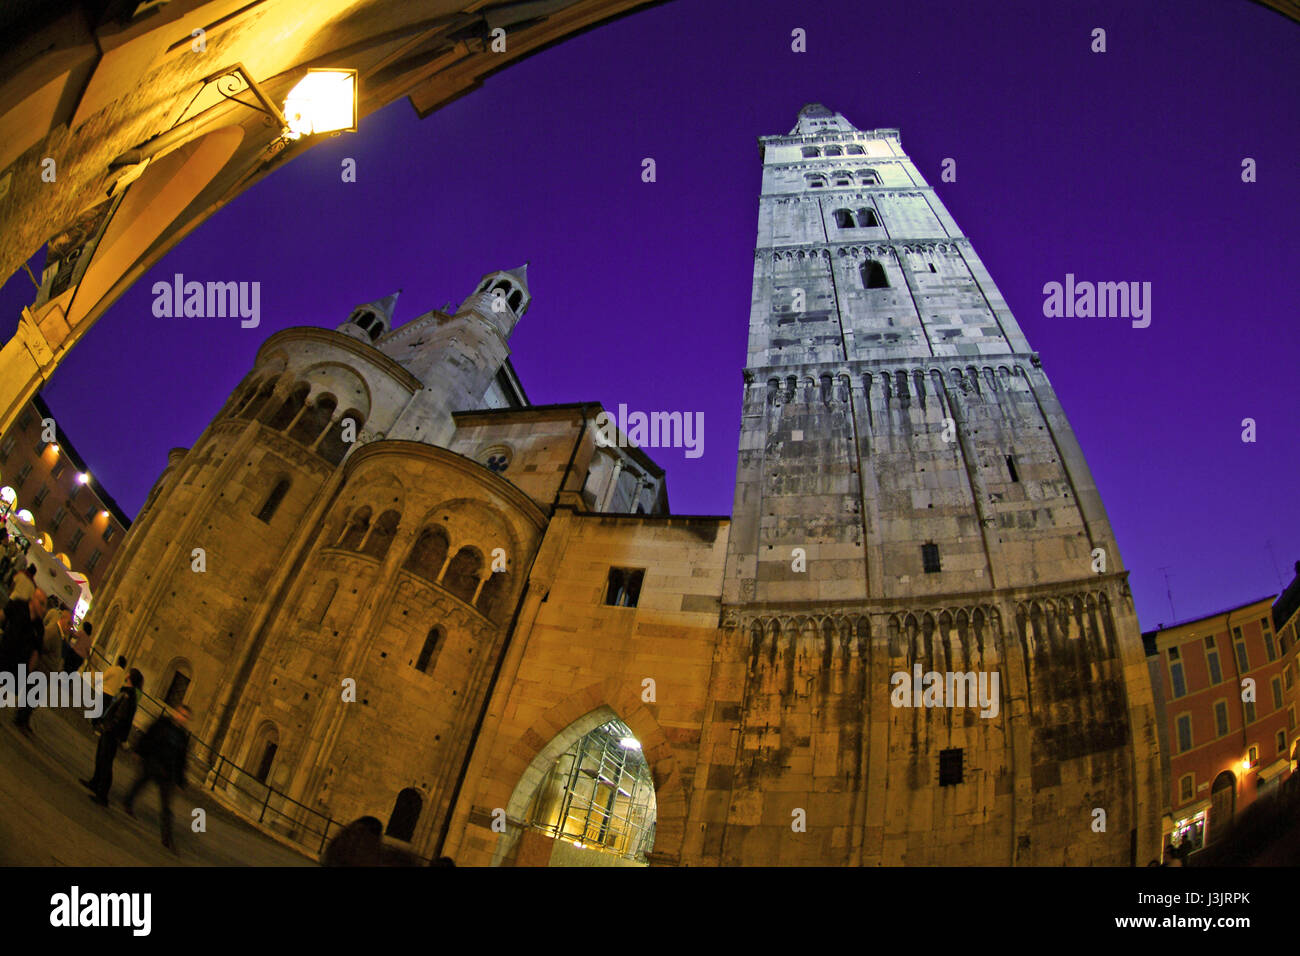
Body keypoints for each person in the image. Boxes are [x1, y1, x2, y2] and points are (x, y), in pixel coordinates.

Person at [124, 705, 191, 851]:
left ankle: (166, 838)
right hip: (153, 762)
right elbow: (148, 735)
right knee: (140, 783)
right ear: (175, 712)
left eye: (185, 716)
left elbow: (182, 759)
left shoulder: (183, 737)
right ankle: (128, 802)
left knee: (166, 806)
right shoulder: (162, 723)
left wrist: (180, 781)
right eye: (181, 714)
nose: (182, 718)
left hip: (168, 772)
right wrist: (139, 751)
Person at [83, 668, 141, 806]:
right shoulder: (125, 692)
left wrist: (109, 727)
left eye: (128, 673)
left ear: (130, 677)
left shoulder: (128, 695)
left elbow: (120, 715)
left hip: (112, 731)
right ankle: (95, 782)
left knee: (106, 761)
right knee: (101, 756)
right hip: (109, 728)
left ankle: (103, 794)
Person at [12, 604, 67, 731]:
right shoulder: (53, 631)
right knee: (31, 695)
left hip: (46, 672)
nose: (70, 627)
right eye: (69, 624)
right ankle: (20, 718)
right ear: (62, 620)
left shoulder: (60, 635)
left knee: (34, 697)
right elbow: (41, 645)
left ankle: (24, 718)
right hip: (41, 669)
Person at [0, 587, 48, 717]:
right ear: (33, 599)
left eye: (45, 605)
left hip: (19, 664)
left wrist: (28, 673)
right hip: (5, 653)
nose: (43, 609)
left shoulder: (39, 627)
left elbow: (36, 652)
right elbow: (2, 616)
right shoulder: (18, 606)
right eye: (41, 603)